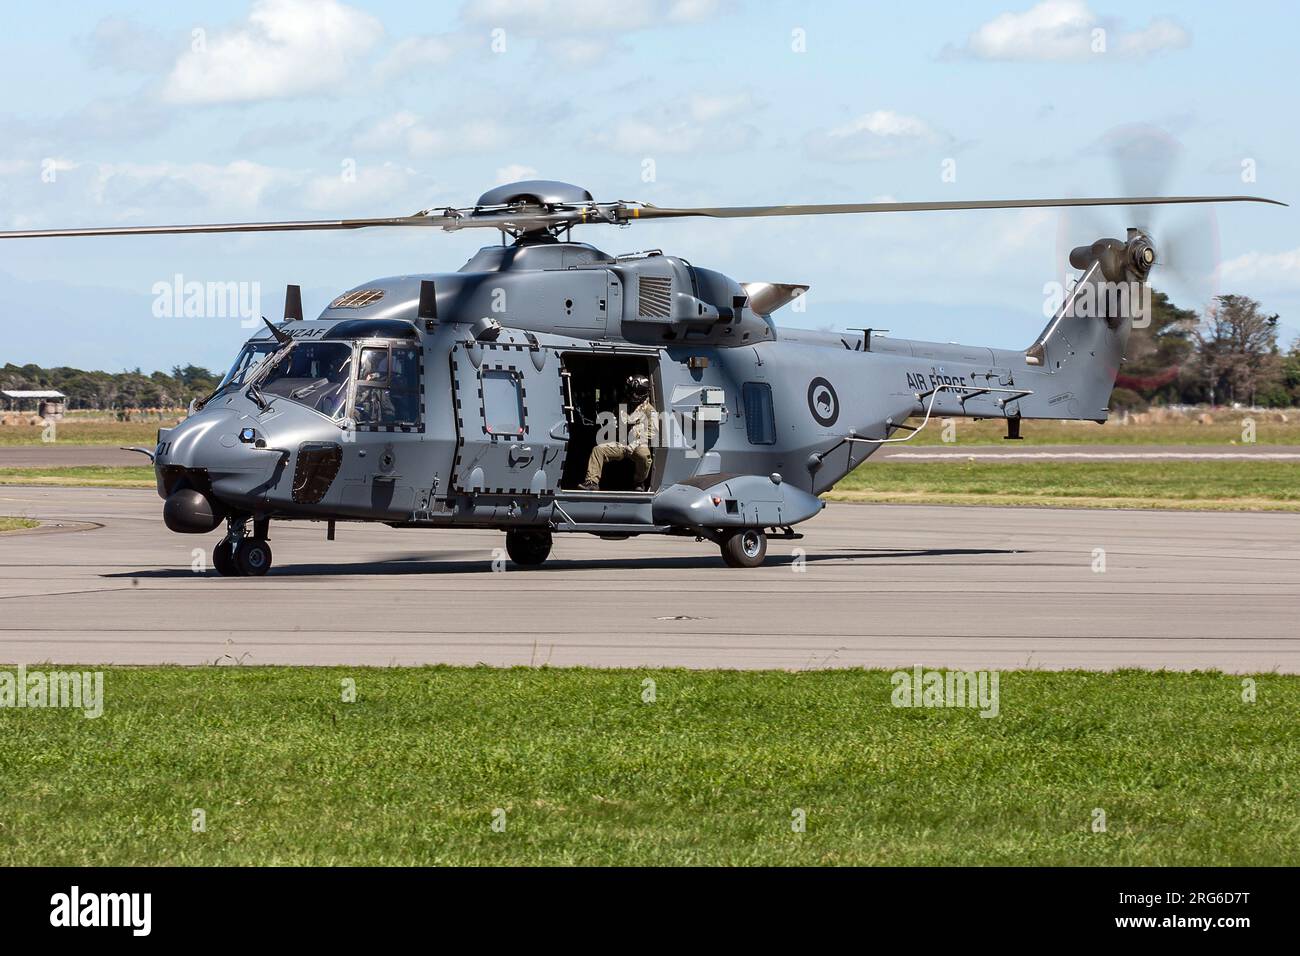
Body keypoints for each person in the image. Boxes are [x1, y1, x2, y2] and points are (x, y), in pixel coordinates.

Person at [581, 375, 657, 491]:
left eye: (636, 392)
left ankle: (639, 482)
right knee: (598, 450)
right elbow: (615, 423)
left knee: (644, 457)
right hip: (620, 443)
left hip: (637, 445)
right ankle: (592, 482)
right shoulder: (623, 405)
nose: (632, 394)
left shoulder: (650, 411)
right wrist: (613, 425)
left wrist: (634, 444)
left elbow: (652, 433)